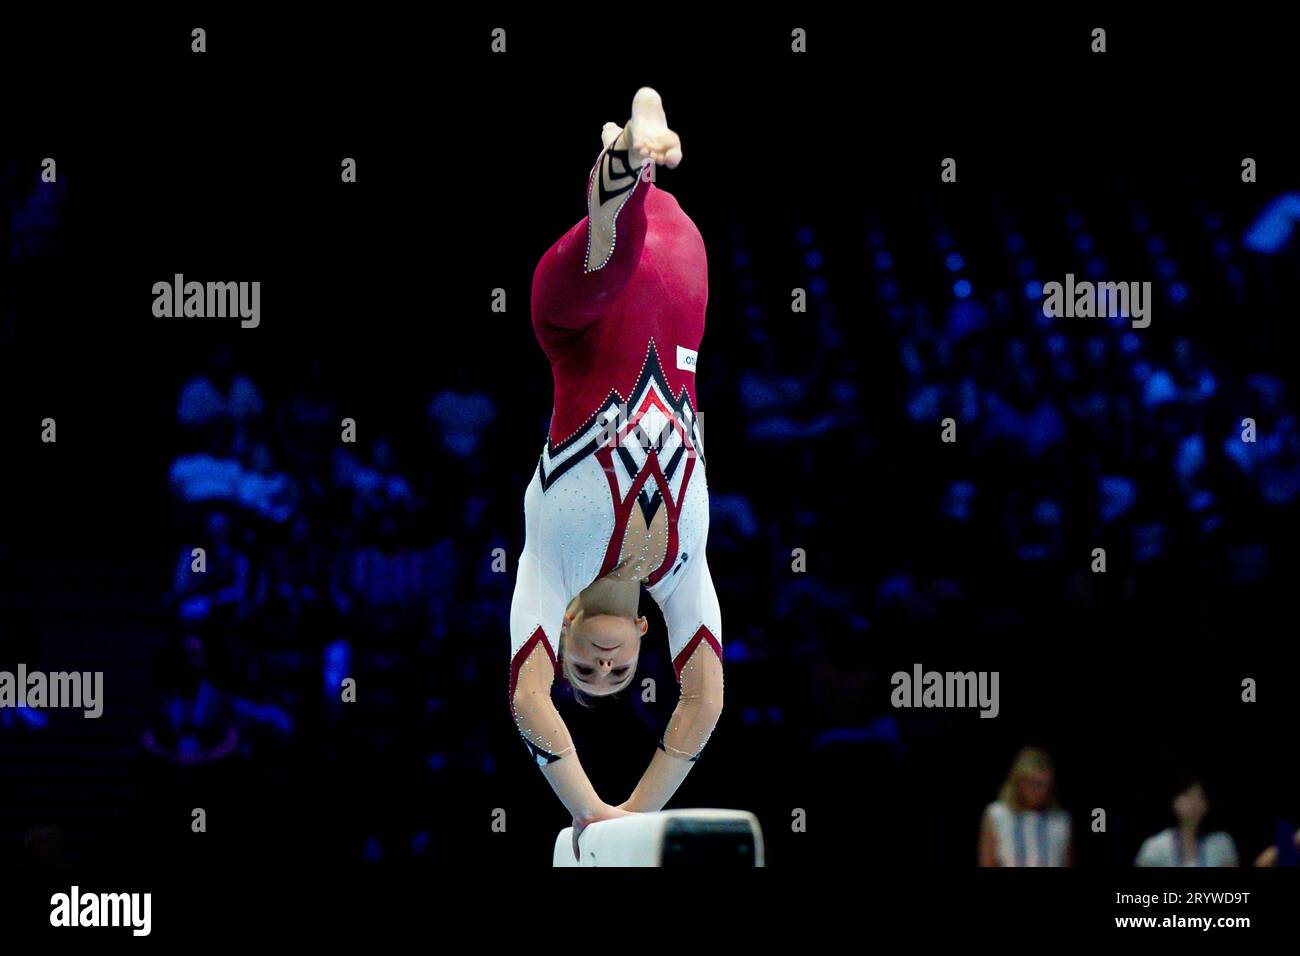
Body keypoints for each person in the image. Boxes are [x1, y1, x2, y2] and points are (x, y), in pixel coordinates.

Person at [507, 88, 724, 858]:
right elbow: (702, 704)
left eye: (585, 670)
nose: (602, 666)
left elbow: (527, 700)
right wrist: (634, 811)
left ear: (562, 633)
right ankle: (633, 162)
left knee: (600, 265)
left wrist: (588, 811)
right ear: (641, 635)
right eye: (618, 669)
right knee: (627, 239)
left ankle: (627, 157)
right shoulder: (682, 574)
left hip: (573, 329)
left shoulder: (548, 571)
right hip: (682, 276)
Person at [979, 747, 1073, 866]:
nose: (1039, 790)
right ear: (1019, 781)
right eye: (1033, 783)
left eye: (1045, 784)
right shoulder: (998, 814)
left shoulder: (1060, 819)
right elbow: (987, 862)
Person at [1135, 777, 1238, 867]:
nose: (1195, 802)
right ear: (1174, 801)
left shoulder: (1221, 843)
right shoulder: (1155, 846)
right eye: (1187, 795)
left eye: (1201, 796)